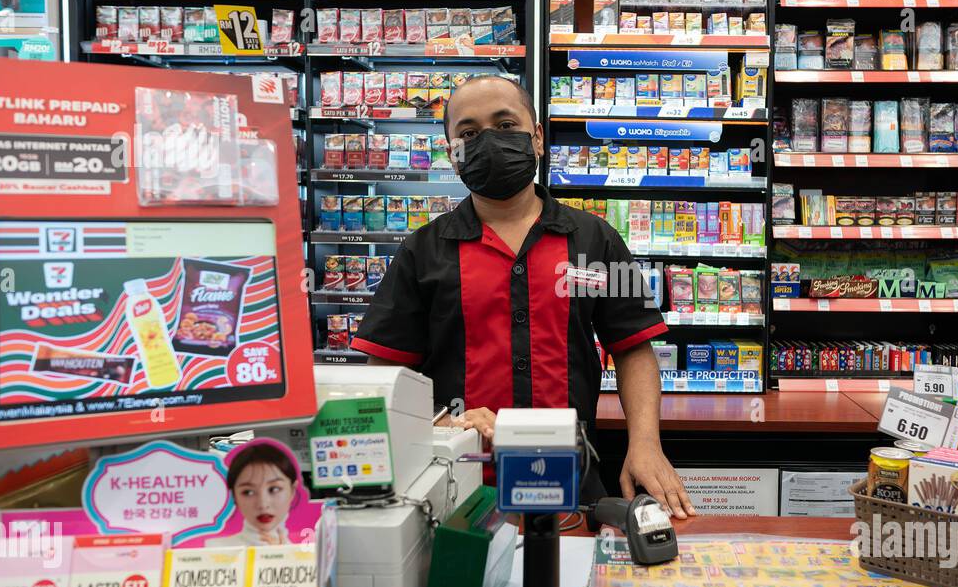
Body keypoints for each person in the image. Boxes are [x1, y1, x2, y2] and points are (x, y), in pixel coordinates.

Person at [352, 75, 696, 517]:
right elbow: (385, 375)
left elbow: (633, 348)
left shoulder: (595, 239)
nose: (489, 142)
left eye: (506, 125)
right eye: (469, 133)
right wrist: (443, 423)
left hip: (572, 477)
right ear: (452, 155)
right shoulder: (423, 251)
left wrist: (645, 445)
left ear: (536, 138)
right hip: (457, 482)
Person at [206, 440, 300, 546]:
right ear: (234, 496)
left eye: (274, 489)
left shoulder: (312, 549)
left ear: (292, 490)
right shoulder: (213, 548)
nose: (263, 504)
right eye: (248, 492)